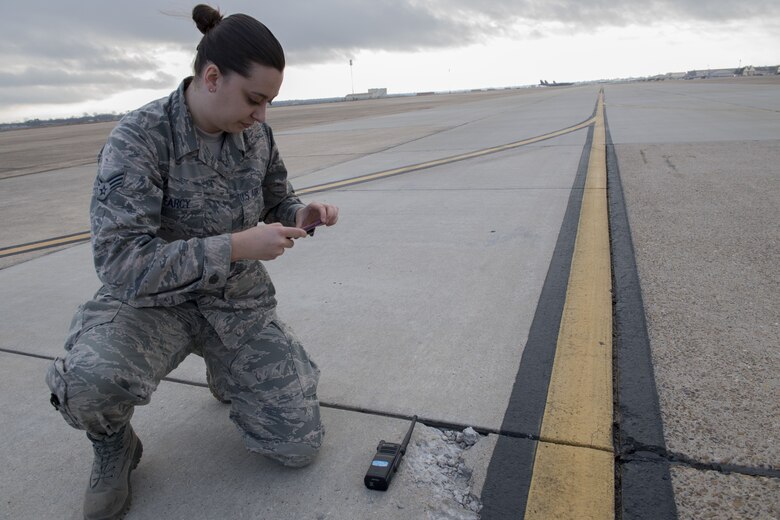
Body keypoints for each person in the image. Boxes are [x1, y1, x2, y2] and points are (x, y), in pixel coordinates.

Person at [45, 5, 338, 519]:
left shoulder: (257, 137)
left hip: (236, 303)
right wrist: (235, 247)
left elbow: (275, 197)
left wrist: (300, 211)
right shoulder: (139, 139)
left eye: (269, 102)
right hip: (154, 306)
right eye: (254, 99)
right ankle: (115, 446)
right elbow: (121, 261)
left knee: (297, 448)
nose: (261, 115)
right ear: (211, 77)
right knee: (90, 382)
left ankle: (228, 372)